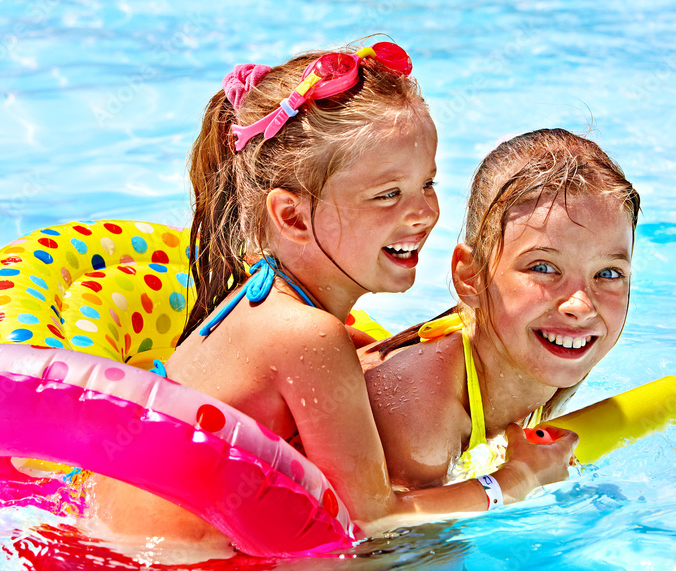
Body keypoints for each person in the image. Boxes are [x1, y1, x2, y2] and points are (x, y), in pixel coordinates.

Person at [86, 43, 577, 546]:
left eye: (426, 183)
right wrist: (517, 479)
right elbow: (370, 520)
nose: (424, 213)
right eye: (387, 194)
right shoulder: (308, 335)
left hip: (97, 536)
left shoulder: (261, 296)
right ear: (293, 217)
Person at [362, 128, 640, 489]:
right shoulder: (421, 415)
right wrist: (513, 482)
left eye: (608, 273)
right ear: (470, 276)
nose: (580, 306)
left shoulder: (557, 351)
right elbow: (394, 540)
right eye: (542, 268)